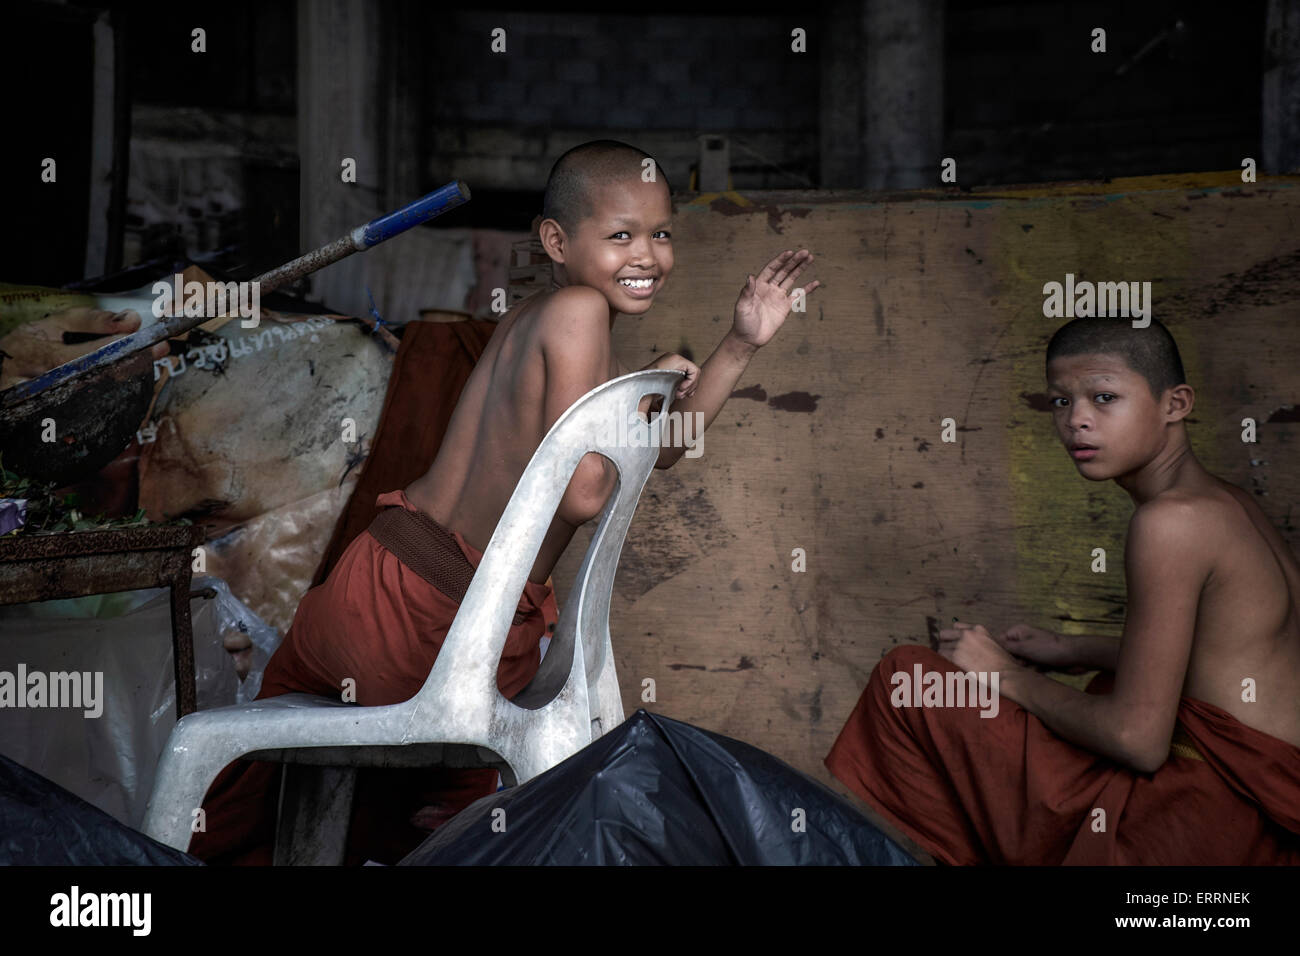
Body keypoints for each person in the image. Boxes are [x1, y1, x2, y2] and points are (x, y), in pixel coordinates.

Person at [190, 139, 820, 864]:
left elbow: (655, 449)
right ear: (556, 240)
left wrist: (738, 344)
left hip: (413, 614)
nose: (646, 254)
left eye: (661, 233)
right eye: (621, 235)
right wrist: (642, 403)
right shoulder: (579, 312)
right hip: (432, 621)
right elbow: (586, 493)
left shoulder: (547, 320)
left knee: (288, 780)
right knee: (458, 808)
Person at [826, 316, 1300, 864]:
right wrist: (1077, 648)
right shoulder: (1228, 501)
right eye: (1059, 402)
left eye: (1104, 397)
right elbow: (1234, 654)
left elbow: (1137, 741)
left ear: (1175, 404)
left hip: (1209, 823)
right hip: (1259, 804)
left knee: (906, 679)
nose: (1077, 421)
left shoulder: (1171, 523)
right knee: (1101, 680)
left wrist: (1008, 676)